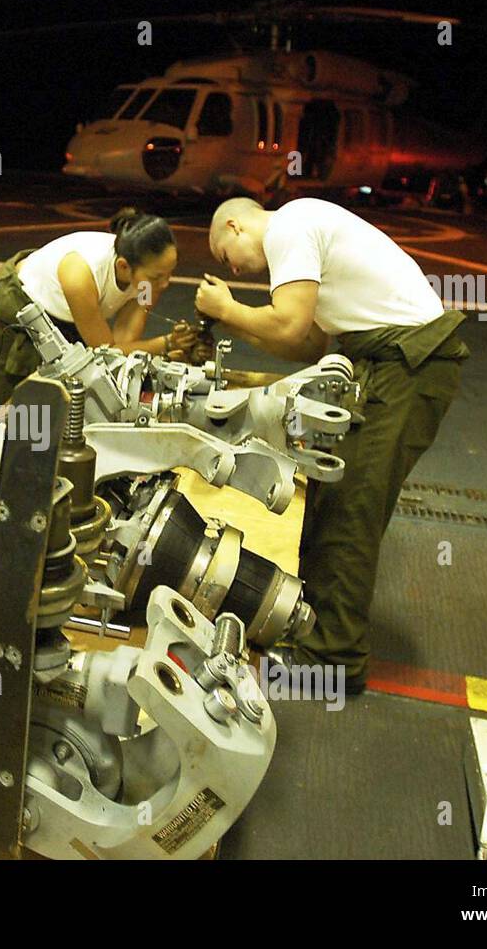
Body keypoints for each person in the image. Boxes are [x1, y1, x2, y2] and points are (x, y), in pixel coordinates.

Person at [196, 196, 469, 694]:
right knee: (328, 490)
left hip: (407, 364)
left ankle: (334, 662)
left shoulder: (290, 226)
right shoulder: (302, 235)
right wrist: (233, 320)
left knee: (351, 505)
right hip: (390, 361)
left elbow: (290, 325)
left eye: (224, 254)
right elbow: (305, 347)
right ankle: (313, 631)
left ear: (234, 224)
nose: (232, 267)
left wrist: (227, 307)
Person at [0, 208, 194, 404]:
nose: (164, 284)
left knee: (77, 396)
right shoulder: (80, 273)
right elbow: (104, 350)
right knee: (2, 402)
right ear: (124, 266)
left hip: (72, 317)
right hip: (20, 304)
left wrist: (169, 346)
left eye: (169, 273)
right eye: (158, 277)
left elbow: (122, 346)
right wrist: (166, 343)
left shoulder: (146, 283)